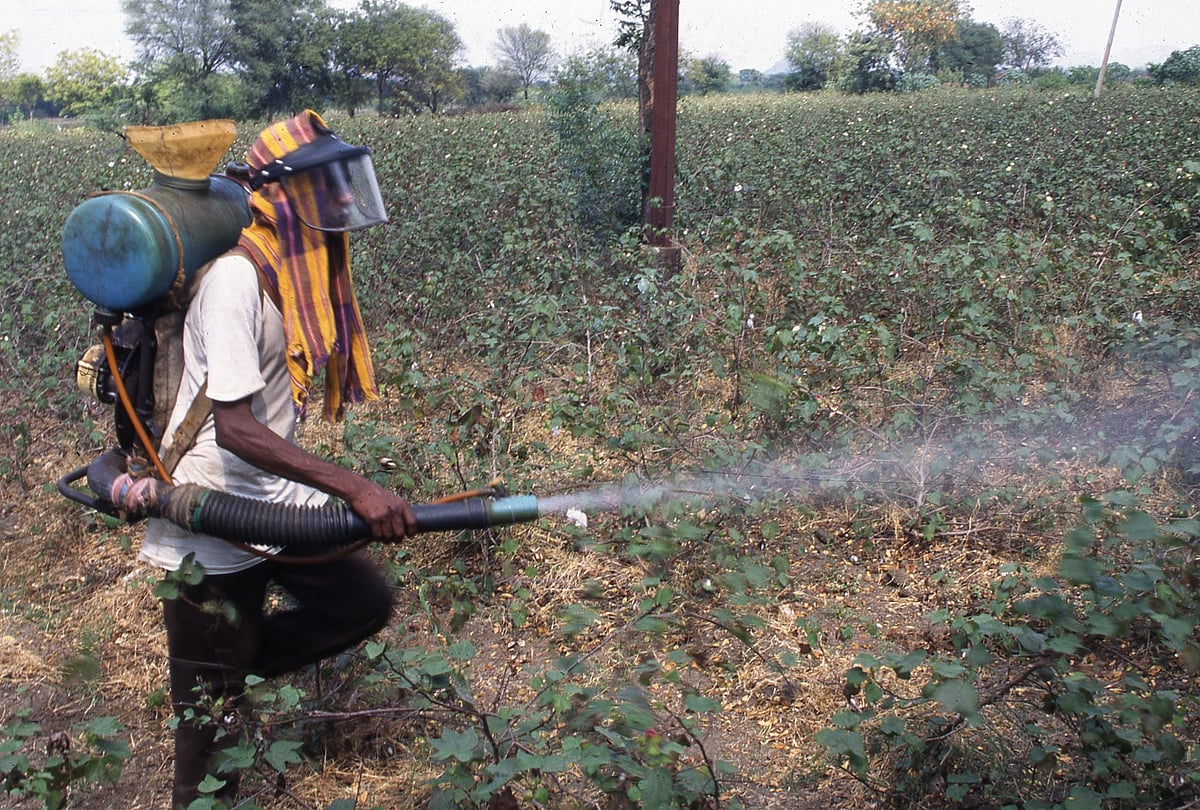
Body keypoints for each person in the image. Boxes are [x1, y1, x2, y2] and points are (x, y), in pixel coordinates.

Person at [138, 110, 417, 808]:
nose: (346, 202)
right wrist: (353, 487)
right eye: (329, 188)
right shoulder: (237, 280)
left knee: (361, 601)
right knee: (206, 753)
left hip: (272, 507)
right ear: (283, 195)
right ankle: (213, 692)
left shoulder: (292, 271)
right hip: (209, 513)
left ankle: (223, 674)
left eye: (345, 185)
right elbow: (235, 428)